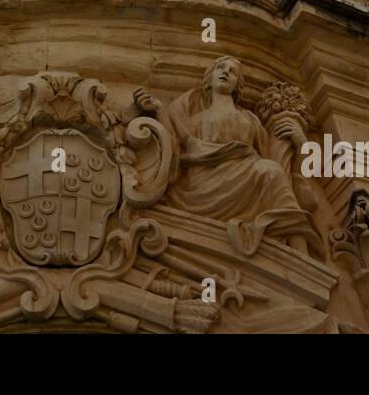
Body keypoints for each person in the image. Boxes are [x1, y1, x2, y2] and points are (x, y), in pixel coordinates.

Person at [133, 56, 319, 257]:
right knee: (269, 171)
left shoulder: (250, 119)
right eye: (220, 68)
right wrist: (159, 109)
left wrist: (301, 142)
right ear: (209, 78)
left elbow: (279, 164)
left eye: (232, 72)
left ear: (237, 85)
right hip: (201, 183)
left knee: (273, 173)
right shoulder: (195, 119)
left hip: (247, 177)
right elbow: (175, 148)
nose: (225, 72)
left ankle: (300, 252)